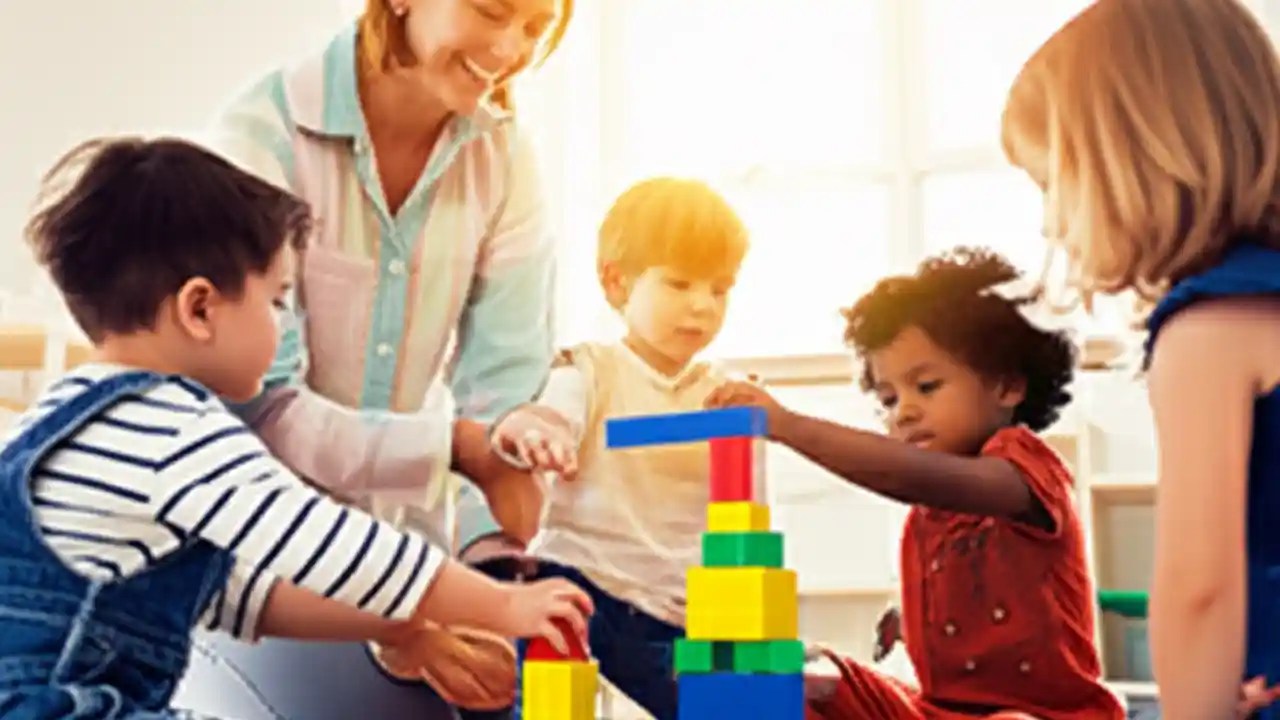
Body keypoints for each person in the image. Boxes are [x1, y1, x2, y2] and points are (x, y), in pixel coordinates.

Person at [0, 136, 592, 719]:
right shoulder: (172, 426)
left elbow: (248, 599)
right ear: (199, 308)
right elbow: (327, 542)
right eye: (278, 300)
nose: (285, 326)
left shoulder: (76, 417)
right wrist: (505, 605)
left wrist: (407, 627)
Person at [193, 0, 574, 714]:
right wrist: (394, 605)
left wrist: (489, 568)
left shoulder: (505, 158)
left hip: (409, 555)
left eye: (537, 26)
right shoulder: (259, 141)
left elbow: (505, 392)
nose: (513, 47)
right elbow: (265, 412)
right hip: (260, 558)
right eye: (493, 11)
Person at [1000, 0, 1280, 717]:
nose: (1049, 222)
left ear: (1133, 156)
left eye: (1050, 184)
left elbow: (1198, 587)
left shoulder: (1208, 332)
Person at [705, 248, 1125, 719]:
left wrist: (787, 425)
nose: (902, 411)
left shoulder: (1023, 470)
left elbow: (912, 476)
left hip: (1048, 718)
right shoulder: (926, 518)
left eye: (926, 387)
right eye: (888, 398)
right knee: (797, 671)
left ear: (1007, 387)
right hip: (936, 713)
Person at [488, 177, 750, 719]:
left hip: (679, 609)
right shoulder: (590, 367)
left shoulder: (723, 390)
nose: (702, 306)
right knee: (541, 680)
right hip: (584, 580)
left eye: (719, 289)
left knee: (721, 705)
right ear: (617, 284)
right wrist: (536, 430)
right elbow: (550, 413)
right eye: (679, 284)